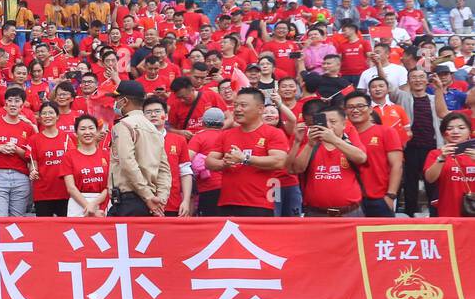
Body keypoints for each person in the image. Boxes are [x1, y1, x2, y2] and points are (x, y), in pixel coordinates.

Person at [205, 88, 290, 217]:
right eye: (236, 105)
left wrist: (244, 159)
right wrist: (224, 163)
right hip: (227, 202)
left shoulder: (273, 133)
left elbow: (279, 161)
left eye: (243, 105)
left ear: (260, 109)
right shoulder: (226, 134)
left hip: (259, 204)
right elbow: (209, 161)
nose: (238, 109)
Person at [287, 105, 368, 217]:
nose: (328, 126)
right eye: (325, 122)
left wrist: (334, 139)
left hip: (349, 213)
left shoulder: (348, 144)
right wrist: (310, 144)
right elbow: (296, 169)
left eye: (333, 121)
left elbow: (361, 158)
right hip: (316, 213)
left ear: (344, 124)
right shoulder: (312, 145)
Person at [108, 80, 170, 216]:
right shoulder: (153, 128)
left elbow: (127, 162)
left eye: (116, 99)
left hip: (129, 200)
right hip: (149, 201)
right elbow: (164, 170)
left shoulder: (124, 125)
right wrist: (160, 200)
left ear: (124, 101)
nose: (115, 103)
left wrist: (148, 197)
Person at [391, 68, 445, 217]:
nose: (418, 80)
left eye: (421, 77)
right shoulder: (403, 97)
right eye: (413, 77)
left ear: (427, 80)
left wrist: (439, 89)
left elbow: (443, 114)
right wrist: (378, 65)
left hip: (432, 147)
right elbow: (389, 88)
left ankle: (435, 215)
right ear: (409, 81)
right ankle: (409, 214)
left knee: (432, 184)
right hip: (411, 147)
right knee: (410, 183)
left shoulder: (434, 99)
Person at [344, 89, 403, 217]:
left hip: (379, 198)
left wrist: (390, 196)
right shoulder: (342, 136)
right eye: (350, 107)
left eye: (360, 106)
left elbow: (397, 165)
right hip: (349, 201)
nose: (355, 110)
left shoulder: (386, 132)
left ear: (370, 109)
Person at [0, 86, 38, 217]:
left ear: (23, 105)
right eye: (10, 100)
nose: (13, 104)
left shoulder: (28, 128)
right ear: (5, 103)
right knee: (0, 218)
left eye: (17, 101)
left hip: (21, 177)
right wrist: (0, 148)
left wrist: (17, 150)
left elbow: (32, 156)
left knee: (17, 220)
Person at [143, 94, 193, 217]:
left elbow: (185, 172)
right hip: (144, 204)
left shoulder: (179, 140)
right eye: (148, 112)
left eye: (157, 111)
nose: (153, 115)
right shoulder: (137, 140)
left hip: (172, 203)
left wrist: (185, 201)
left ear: (165, 116)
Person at [423, 114, 475, 217]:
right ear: (443, 134)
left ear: (469, 131)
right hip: (447, 211)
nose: (455, 132)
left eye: (461, 128)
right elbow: (429, 179)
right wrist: (441, 158)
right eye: (450, 128)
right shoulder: (435, 154)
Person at [61, 114, 109, 217]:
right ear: (76, 133)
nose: (87, 132)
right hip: (77, 203)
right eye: (82, 129)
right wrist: (89, 207)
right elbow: (71, 188)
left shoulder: (106, 155)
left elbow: (110, 186)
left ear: (97, 131)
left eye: (91, 128)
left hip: (102, 203)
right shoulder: (68, 156)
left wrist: (94, 204)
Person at [30, 100, 71, 217]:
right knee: (44, 230)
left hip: (64, 191)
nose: (47, 116)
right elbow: (33, 163)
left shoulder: (66, 138)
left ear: (57, 116)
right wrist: (32, 171)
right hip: (43, 193)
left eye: (51, 113)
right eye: (44, 113)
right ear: (39, 117)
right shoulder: (34, 139)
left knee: (65, 229)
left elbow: (72, 163)